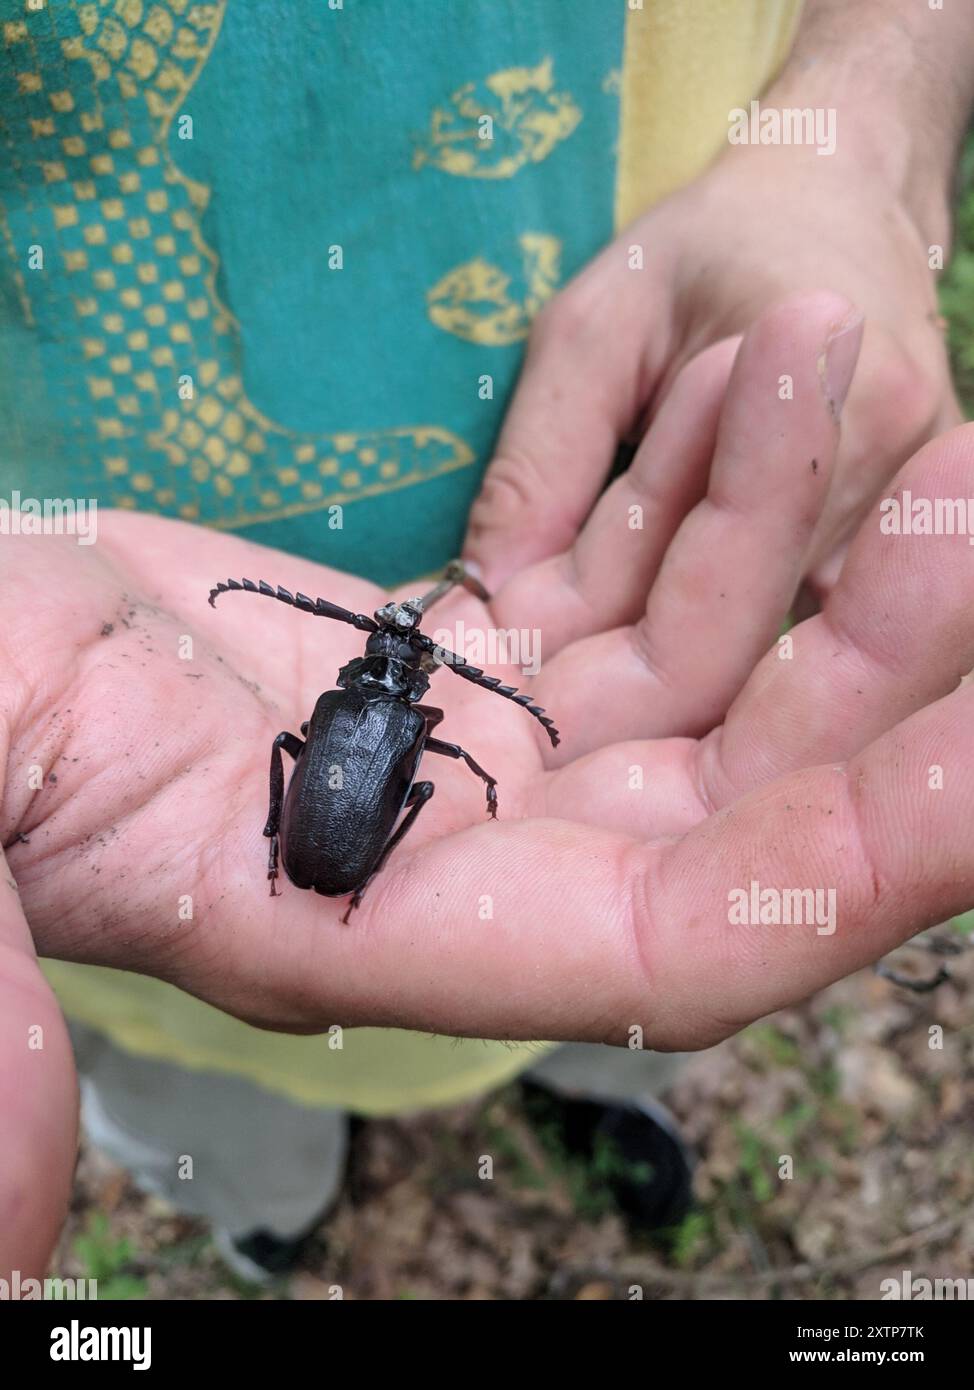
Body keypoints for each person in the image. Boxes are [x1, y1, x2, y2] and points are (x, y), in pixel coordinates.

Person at [1, 0, 973, 1282]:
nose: (398, 665)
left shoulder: (351, 714)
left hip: (527, 756)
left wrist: (860, 122)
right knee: (222, 1089)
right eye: (401, 667)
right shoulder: (414, 728)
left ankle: (580, 1091)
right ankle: (268, 1204)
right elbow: (423, 770)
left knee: (598, 965)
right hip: (145, 939)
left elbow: (352, 755)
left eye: (396, 664)